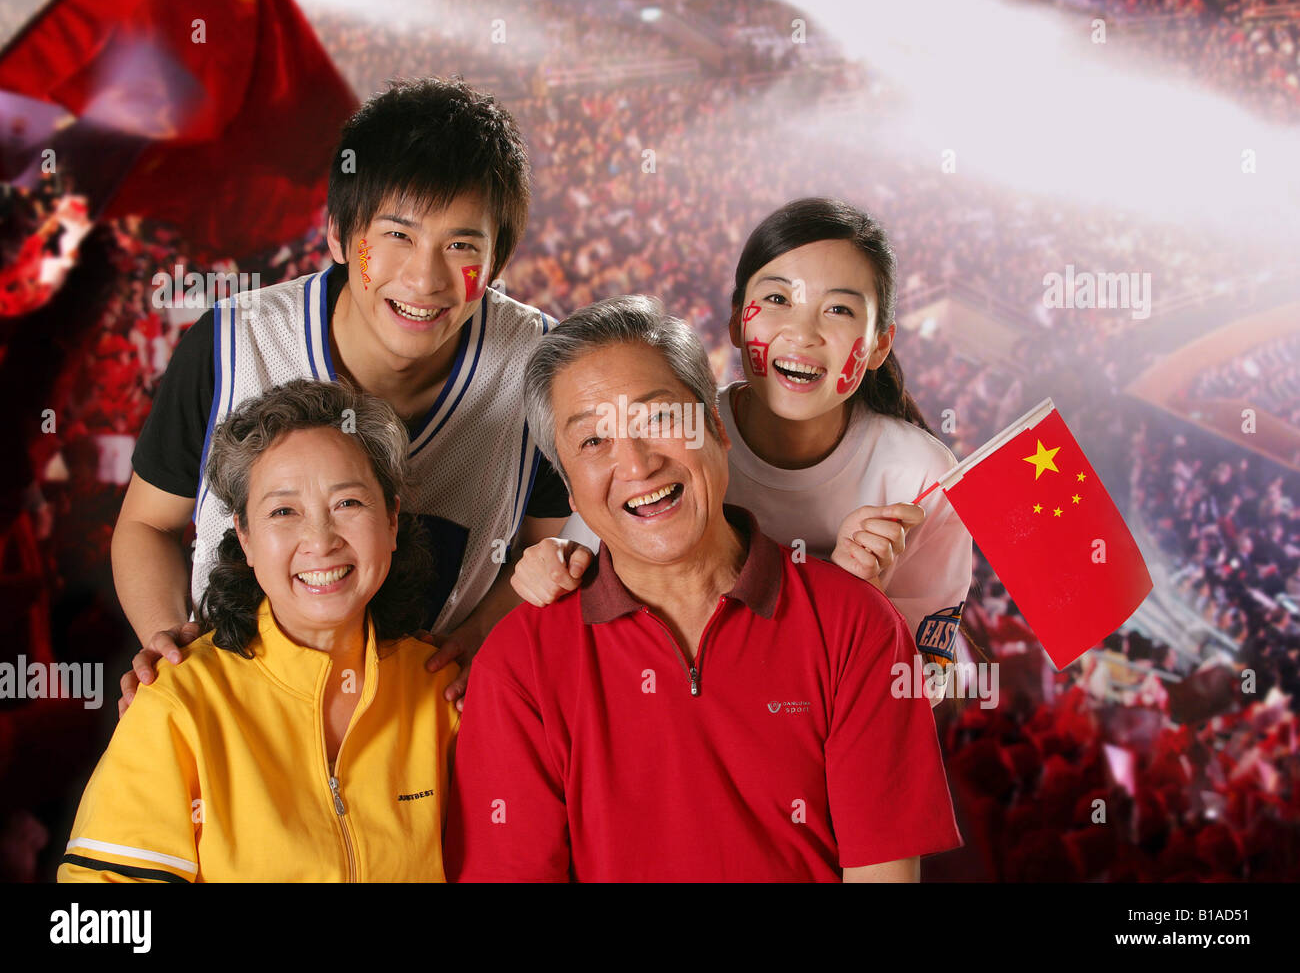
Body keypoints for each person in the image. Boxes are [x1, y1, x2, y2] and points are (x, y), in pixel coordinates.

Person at [444, 296, 961, 882]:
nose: (637, 465)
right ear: (568, 485)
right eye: (593, 442)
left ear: (716, 428)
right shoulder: (519, 663)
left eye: (659, 420)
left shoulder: (855, 625)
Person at [113, 78, 571, 714]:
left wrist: (480, 637)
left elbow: (547, 549)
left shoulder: (539, 366)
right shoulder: (233, 342)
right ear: (336, 235)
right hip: (241, 709)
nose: (425, 277)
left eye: (461, 245)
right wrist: (170, 644)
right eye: (397, 235)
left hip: (425, 726)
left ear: (496, 263)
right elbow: (146, 524)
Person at [512, 198, 972, 688]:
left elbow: (929, 683)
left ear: (880, 343)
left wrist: (860, 605)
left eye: (838, 309)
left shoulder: (923, 475)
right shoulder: (677, 434)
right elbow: (591, 551)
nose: (802, 333)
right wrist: (552, 562)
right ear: (736, 322)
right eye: (777, 300)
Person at [60, 379, 460, 882]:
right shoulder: (179, 702)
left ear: (393, 519)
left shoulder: (445, 692)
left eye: (348, 504)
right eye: (283, 511)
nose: (320, 541)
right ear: (244, 539)